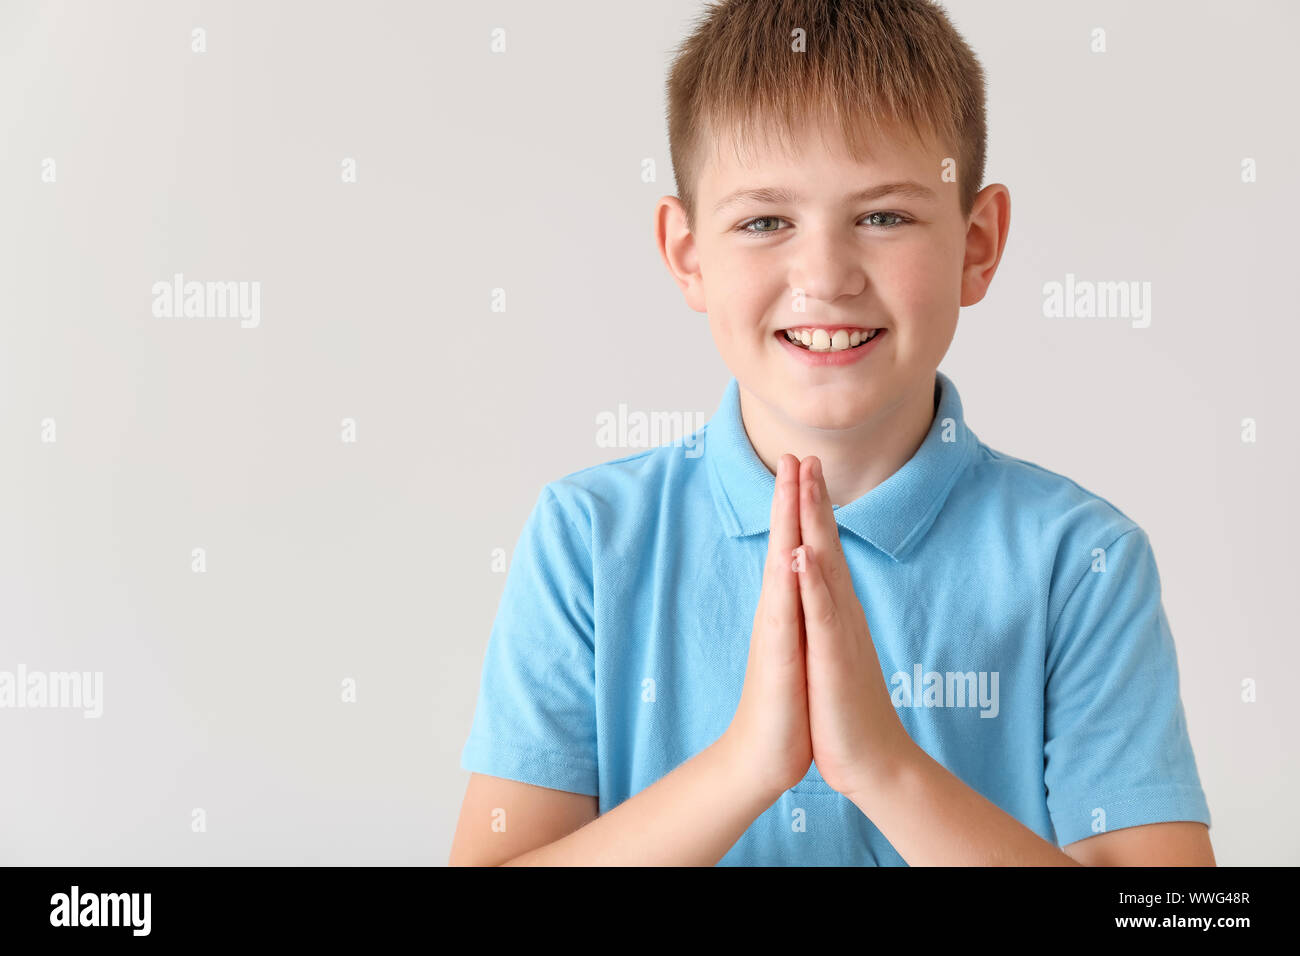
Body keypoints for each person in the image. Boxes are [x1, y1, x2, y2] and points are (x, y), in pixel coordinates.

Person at [449, 0, 1214, 866]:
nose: (824, 276)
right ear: (689, 254)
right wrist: (745, 766)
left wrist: (884, 768)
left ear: (978, 244)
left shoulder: (1081, 561)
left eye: (883, 216)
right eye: (764, 222)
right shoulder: (587, 538)